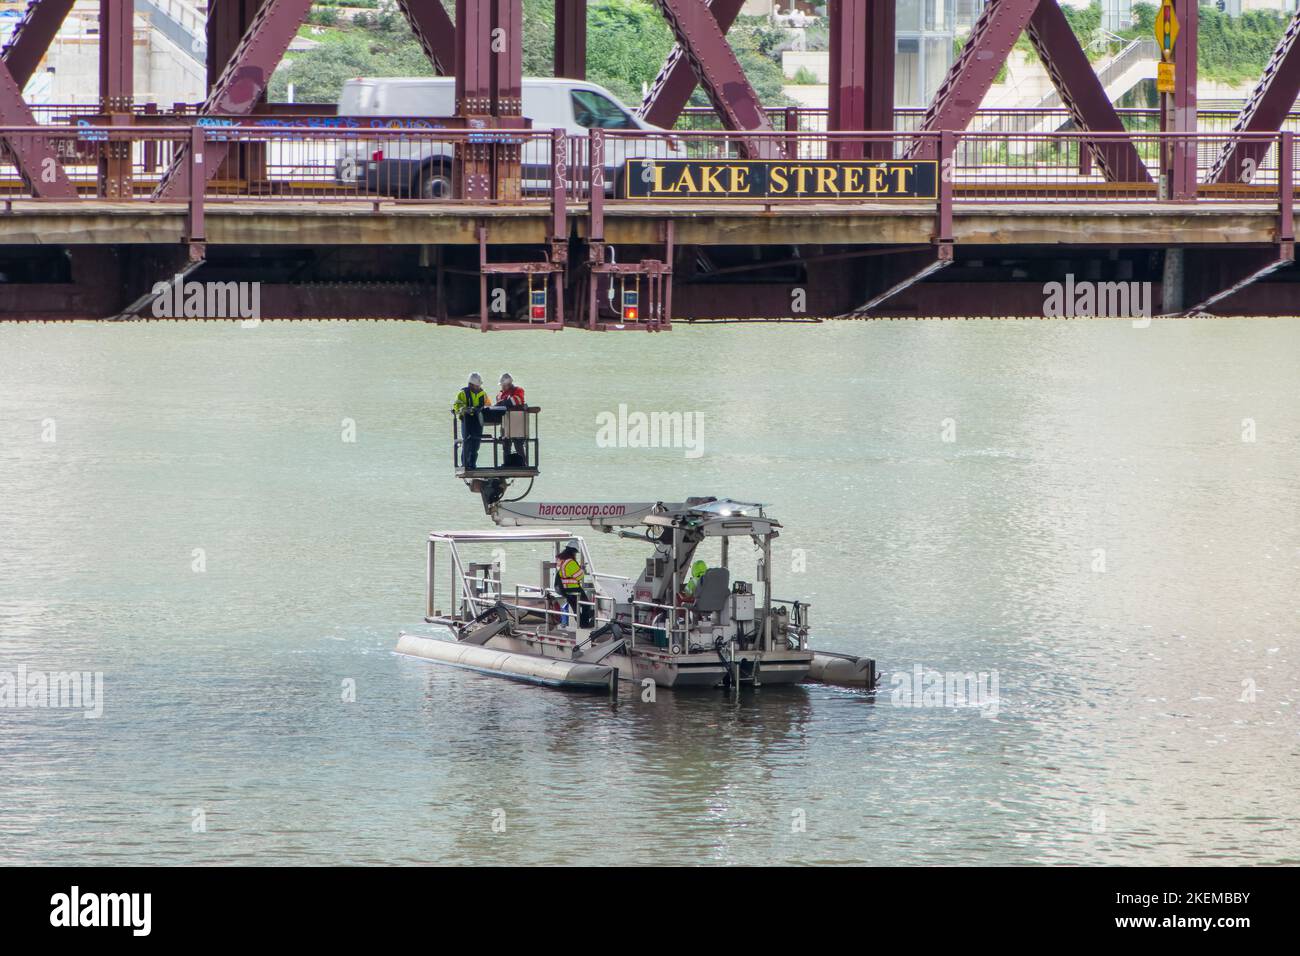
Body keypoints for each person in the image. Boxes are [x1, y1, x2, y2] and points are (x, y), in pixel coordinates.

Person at [452, 372, 490, 469]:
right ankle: (465, 464)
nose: (478, 387)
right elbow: (457, 405)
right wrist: (464, 409)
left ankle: (472, 464)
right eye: (477, 385)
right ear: (470, 384)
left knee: (476, 443)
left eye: (479, 385)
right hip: (467, 420)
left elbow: (488, 404)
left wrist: (483, 409)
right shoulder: (463, 393)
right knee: (467, 441)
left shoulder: (483, 393)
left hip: (478, 421)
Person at [494, 372, 527, 464]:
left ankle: (523, 464)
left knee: (518, 444)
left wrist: (503, 403)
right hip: (505, 422)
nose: (502, 387)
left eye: (504, 385)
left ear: (509, 384)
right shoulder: (500, 394)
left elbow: (517, 400)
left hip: (517, 421)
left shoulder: (518, 390)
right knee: (506, 444)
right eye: (502, 385)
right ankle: (507, 464)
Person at [554, 544, 586, 629]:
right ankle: (584, 623)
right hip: (574, 588)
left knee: (575, 607)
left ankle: (580, 624)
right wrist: (582, 569)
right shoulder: (570, 562)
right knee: (586, 604)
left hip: (564, 588)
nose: (575, 555)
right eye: (575, 553)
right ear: (572, 552)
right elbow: (580, 576)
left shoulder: (560, 561)